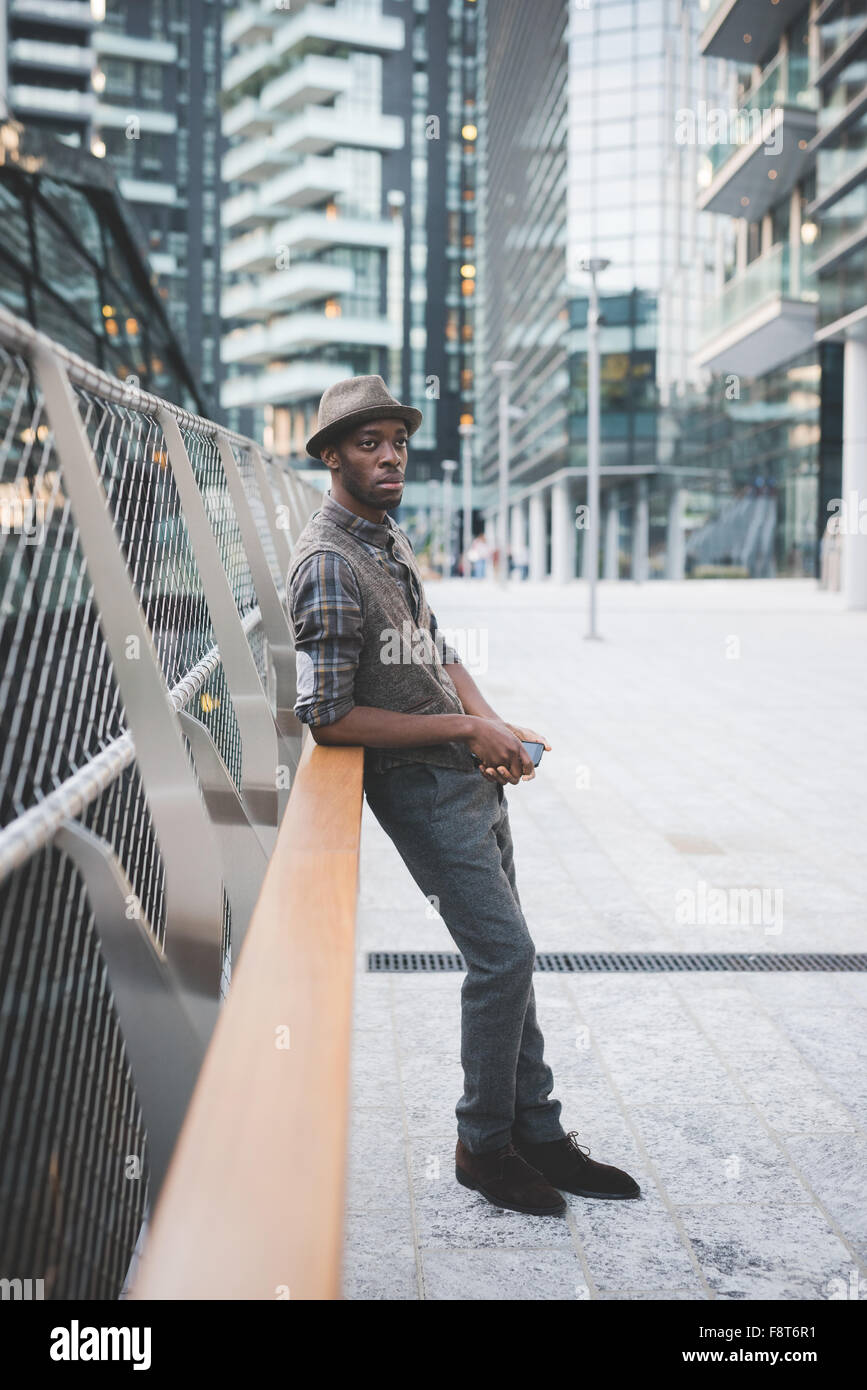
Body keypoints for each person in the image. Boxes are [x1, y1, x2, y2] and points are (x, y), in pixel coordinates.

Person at [286, 375, 639, 1217]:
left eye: (396, 442)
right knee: (503, 957)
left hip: (461, 774)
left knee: (509, 953)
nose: (388, 456)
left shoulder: (383, 536)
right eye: (367, 443)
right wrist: (460, 735)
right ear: (330, 455)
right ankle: (483, 1147)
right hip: (418, 789)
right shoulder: (328, 565)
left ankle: (537, 1130)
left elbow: (436, 649)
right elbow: (328, 718)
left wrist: (493, 727)